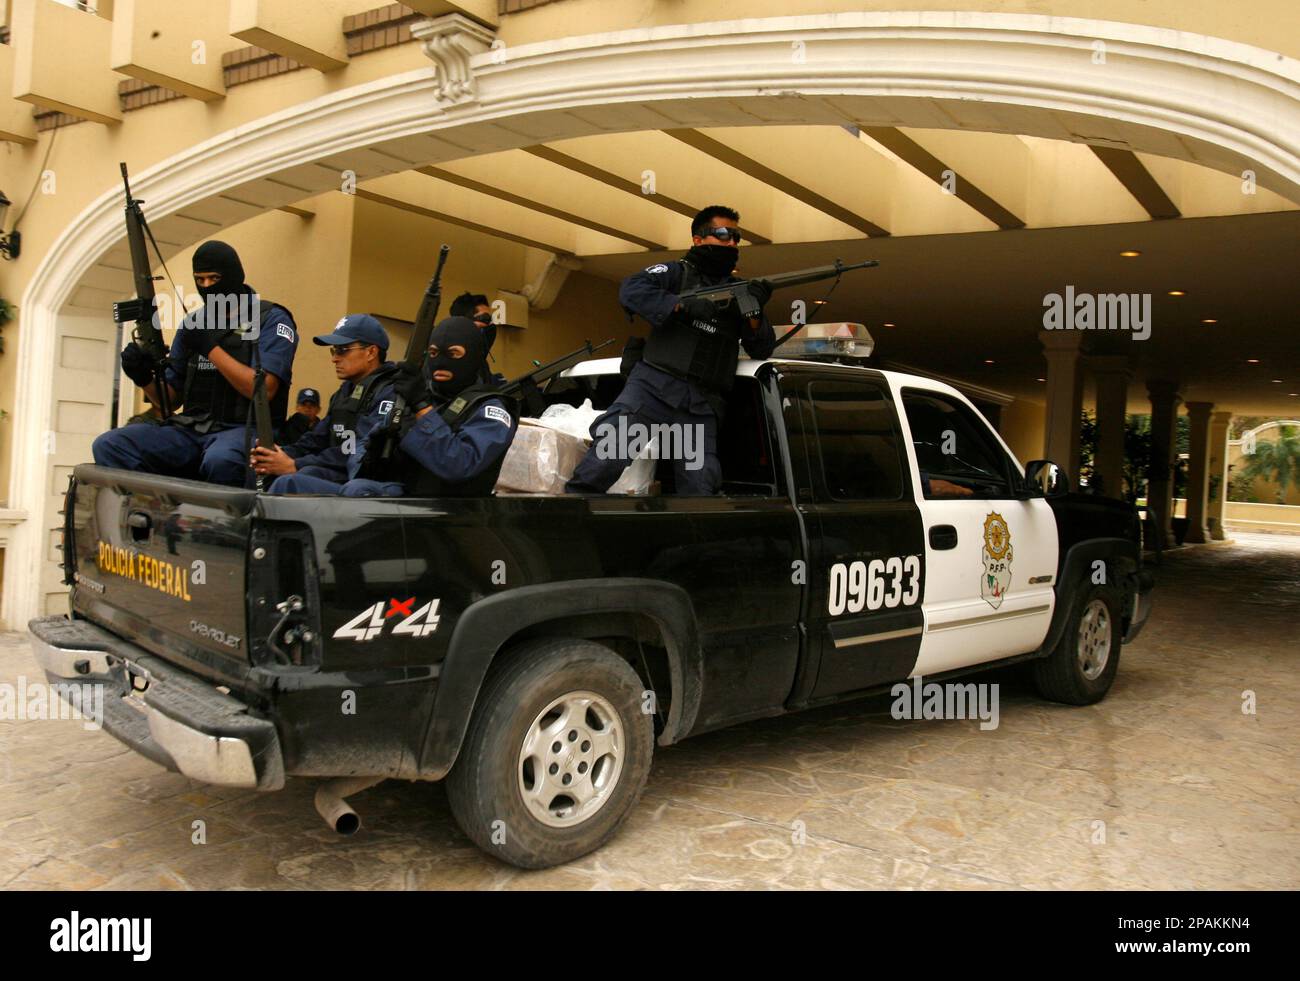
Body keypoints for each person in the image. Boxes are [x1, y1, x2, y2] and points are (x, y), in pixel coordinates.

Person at [565, 205, 776, 496]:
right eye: (724, 234)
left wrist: (753, 311)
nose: (732, 243)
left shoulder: (740, 292)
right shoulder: (675, 274)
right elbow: (632, 289)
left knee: (700, 486)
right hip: (652, 389)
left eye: (736, 237)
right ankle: (565, 521)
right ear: (698, 239)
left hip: (700, 404)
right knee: (606, 458)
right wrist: (679, 305)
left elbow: (763, 348)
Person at [92, 240, 298, 486]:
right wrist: (142, 377)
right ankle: (156, 510)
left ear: (234, 275)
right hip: (192, 429)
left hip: (245, 430)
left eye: (214, 278)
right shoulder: (193, 323)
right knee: (110, 445)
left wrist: (210, 348)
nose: (207, 286)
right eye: (200, 280)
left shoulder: (271, 319)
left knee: (220, 461)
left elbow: (263, 390)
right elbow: (170, 400)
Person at [271, 316, 517, 497]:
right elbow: (364, 448)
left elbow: (458, 464)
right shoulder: (420, 394)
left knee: (357, 491)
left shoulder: (491, 410)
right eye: (433, 353)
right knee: (289, 485)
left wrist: (421, 407)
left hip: (444, 508)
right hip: (396, 488)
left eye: (453, 353)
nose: (441, 361)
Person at [250, 315, 399, 494]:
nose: (334, 358)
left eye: (343, 350)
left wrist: (295, 465)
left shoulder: (391, 393)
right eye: (334, 350)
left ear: (371, 352)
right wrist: (277, 454)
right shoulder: (345, 392)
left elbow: (361, 452)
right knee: (265, 473)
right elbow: (317, 439)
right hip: (339, 476)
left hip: (369, 486)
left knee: (292, 482)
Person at [450, 290, 505, 384]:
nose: (489, 325)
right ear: (464, 323)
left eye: (491, 320)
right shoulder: (447, 358)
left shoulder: (479, 362)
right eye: (485, 318)